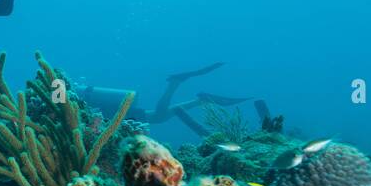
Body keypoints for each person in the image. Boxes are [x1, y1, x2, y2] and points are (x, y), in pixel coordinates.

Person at [78, 62, 259, 137]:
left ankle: (174, 84)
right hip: (106, 111)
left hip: (104, 112)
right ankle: (202, 100)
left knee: (157, 116)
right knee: (158, 116)